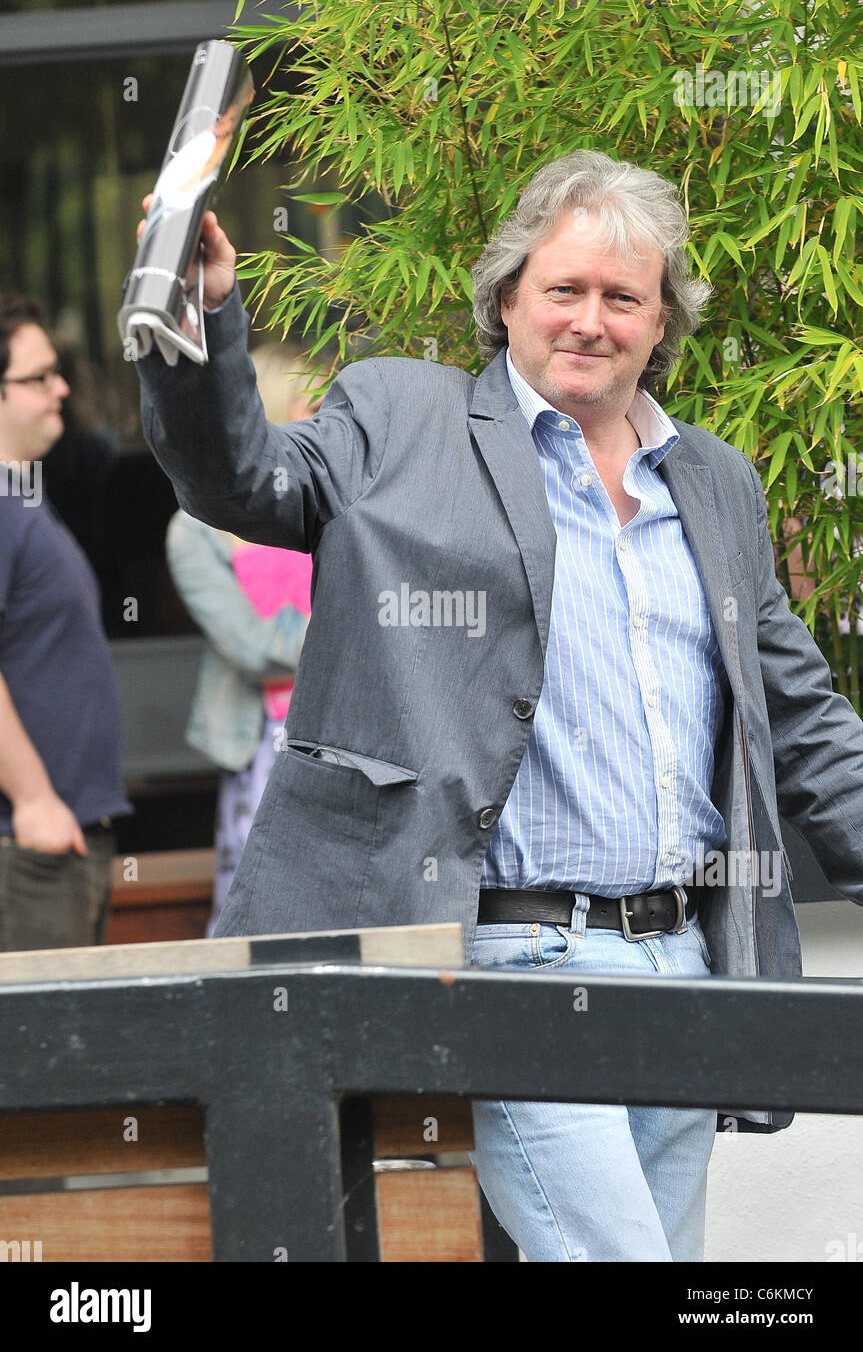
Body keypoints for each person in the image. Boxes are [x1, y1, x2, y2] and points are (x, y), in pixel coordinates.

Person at [135, 149, 863, 1262]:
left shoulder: (713, 482)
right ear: (505, 296)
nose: (589, 320)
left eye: (622, 297)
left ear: (661, 322)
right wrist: (206, 318)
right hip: (512, 958)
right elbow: (242, 477)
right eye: (561, 288)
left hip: (683, 960)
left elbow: (803, 720)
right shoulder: (401, 417)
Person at [165, 344, 315, 935]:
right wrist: (351, 640)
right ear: (275, 406)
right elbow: (252, 648)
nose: (330, 417)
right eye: (313, 399)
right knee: (253, 910)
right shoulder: (195, 529)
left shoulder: (338, 508)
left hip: (343, 734)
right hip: (263, 744)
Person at [0, 294, 132, 952]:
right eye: (38, 376)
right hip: (27, 846)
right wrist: (30, 799)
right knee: (36, 1053)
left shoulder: (21, 495)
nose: (62, 389)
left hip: (59, 836)